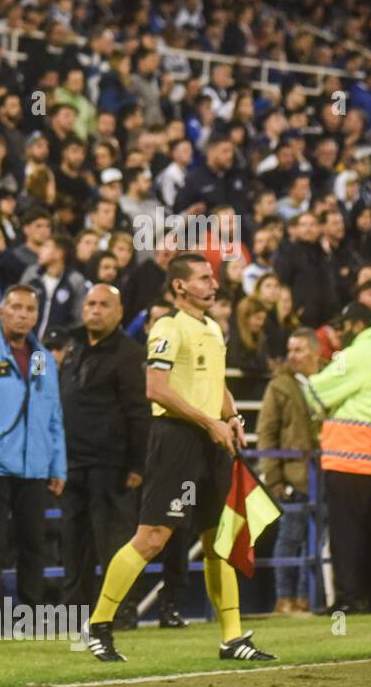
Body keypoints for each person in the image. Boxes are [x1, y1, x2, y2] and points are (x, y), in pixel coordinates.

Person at [86, 253, 276, 663]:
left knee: (217, 542)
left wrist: (232, 416)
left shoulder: (211, 327)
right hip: (177, 441)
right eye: (204, 278)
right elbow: (156, 389)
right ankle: (99, 626)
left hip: (212, 440)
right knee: (153, 537)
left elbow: (216, 382)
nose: (214, 284)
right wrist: (210, 423)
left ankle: (233, 638)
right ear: (179, 286)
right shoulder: (168, 328)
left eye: (212, 277)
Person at [0, 285, 67, 611]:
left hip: (34, 465)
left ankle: (31, 613)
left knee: (34, 543)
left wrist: (58, 465)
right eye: (16, 307)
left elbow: (53, 414)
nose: (22, 315)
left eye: (30, 309)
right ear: (2, 311)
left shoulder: (42, 358)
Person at [58, 284, 150, 621]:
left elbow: (140, 414)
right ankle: (73, 613)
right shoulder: (73, 348)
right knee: (73, 544)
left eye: (104, 305)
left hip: (112, 466)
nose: (95, 310)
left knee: (113, 544)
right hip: (72, 464)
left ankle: (120, 613)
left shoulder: (131, 354)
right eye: (91, 304)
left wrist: (137, 465)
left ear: (119, 312)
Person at [297, 303, 371, 613]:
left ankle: (349, 599)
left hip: (348, 455)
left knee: (345, 532)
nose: (339, 335)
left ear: (356, 325)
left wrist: (321, 409)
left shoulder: (357, 355)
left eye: (343, 327)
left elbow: (315, 391)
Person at [257, 328, 322, 614]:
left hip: (324, 474)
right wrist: (274, 476)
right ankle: (285, 599)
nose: (292, 356)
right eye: (290, 350)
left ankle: (307, 599)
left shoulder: (328, 381)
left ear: (315, 353)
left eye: (299, 350)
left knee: (317, 542)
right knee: (290, 538)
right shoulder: (279, 386)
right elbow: (266, 431)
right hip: (294, 475)